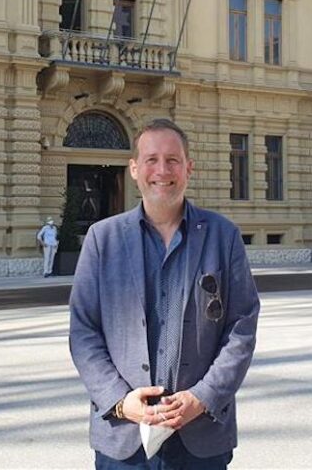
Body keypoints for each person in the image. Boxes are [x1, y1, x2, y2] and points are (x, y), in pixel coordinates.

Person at [69, 118, 260, 469]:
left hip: (201, 433)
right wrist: (120, 401)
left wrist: (201, 398)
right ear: (134, 169)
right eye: (152, 159)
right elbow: (84, 331)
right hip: (124, 436)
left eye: (173, 160)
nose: (162, 170)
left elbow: (241, 328)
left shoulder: (223, 236)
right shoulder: (103, 238)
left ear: (188, 168)